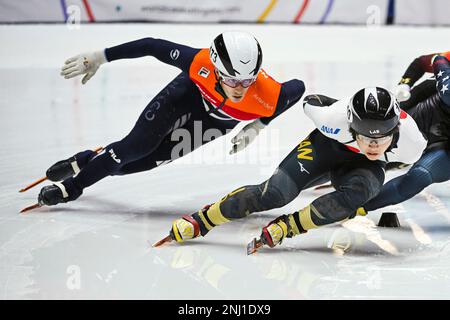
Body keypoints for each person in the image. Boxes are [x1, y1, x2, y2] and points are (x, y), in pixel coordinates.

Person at [37, 31, 306, 206]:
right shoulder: (198, 62)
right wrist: (100, 57)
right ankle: (70, 188)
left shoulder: (269, 95)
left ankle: (85, 160)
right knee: (135, 147)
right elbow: (151, 46)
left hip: (213, 124)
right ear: (215, 68)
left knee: (138, 164)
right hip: (185, 95)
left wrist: (259, 125)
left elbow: (298, 89)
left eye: (248, 79)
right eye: (232, 79)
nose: (240, 87)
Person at [159, 86, 427, 252]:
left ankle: (290, 226)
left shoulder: (413, 145)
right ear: (349, 125)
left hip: (361, 168)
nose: (373, 145)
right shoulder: (331, 119)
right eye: (366, 137)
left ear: (397, 130)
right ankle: (204, 219)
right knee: (276, 193)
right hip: (326, 147)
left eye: (381, 139)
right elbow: (310, 100)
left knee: (361, 192)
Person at [357, 54, 450, 215]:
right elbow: (424, 61)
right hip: (426, 113)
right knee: (367, 148)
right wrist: (404, 85)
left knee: (418, 176)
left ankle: (356, 207)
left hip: (441, 145)